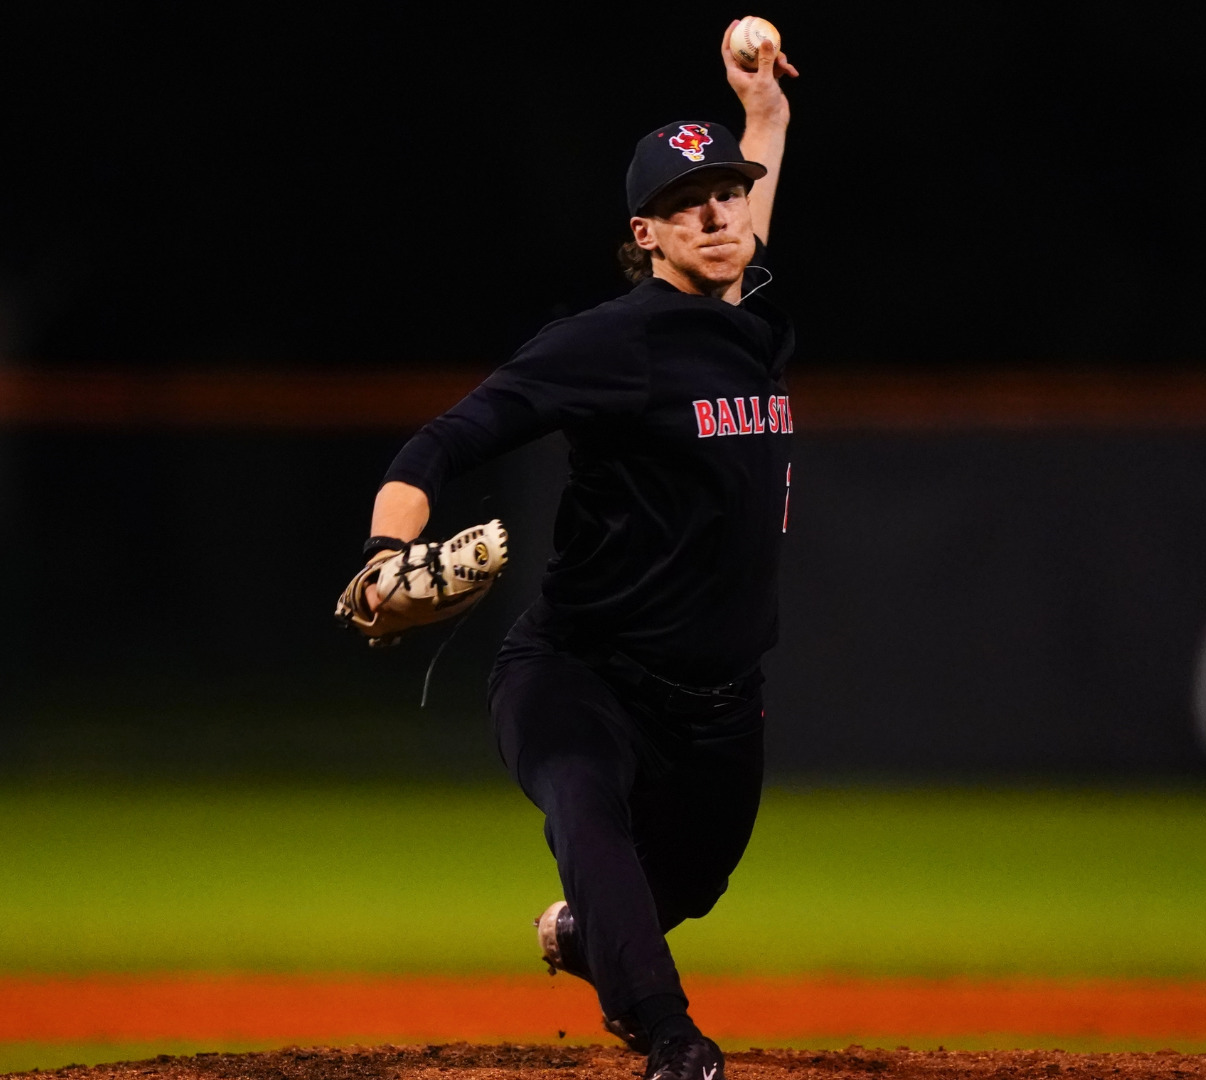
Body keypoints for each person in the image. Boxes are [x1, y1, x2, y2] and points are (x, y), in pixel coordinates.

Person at [352, 24, 797, 1080]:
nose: (719, 212)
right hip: (578, 671)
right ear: (646, 234)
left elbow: (743, 219)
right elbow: (442, 440)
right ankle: (673, 1038)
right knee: (588, 813)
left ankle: (583, 939)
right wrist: (382, 552)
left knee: (687, 882)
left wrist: (765, 113)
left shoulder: (743, 316)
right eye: (690, 204)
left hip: (719, 699)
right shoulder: (612, 342)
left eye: (728, 193)